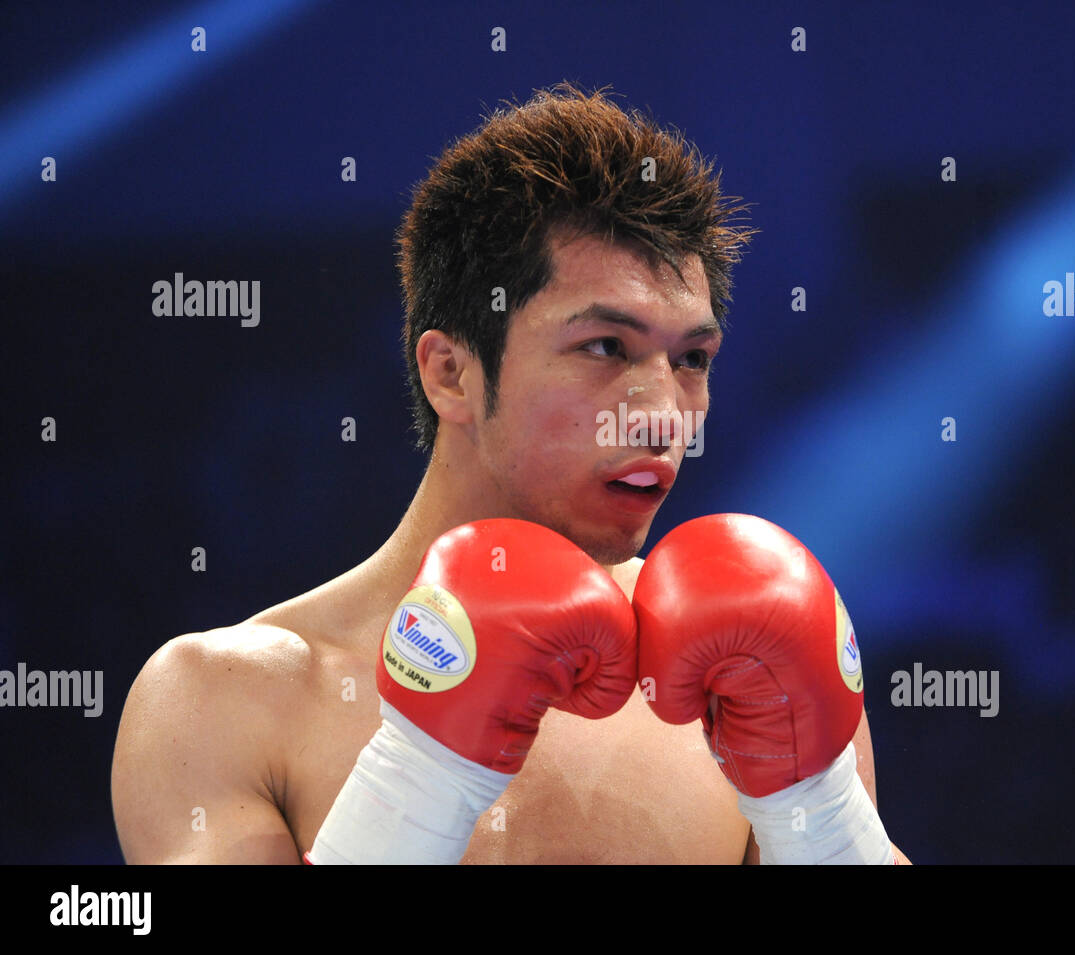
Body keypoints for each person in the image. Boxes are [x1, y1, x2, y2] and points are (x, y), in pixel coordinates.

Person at [111, 81, 911, 864]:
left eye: (692, 358)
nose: (664, 412)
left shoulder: (743, 682)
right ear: (452, 373)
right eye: (606, 347)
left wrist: (816, 807)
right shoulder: (221, 701)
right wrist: (423, 771)